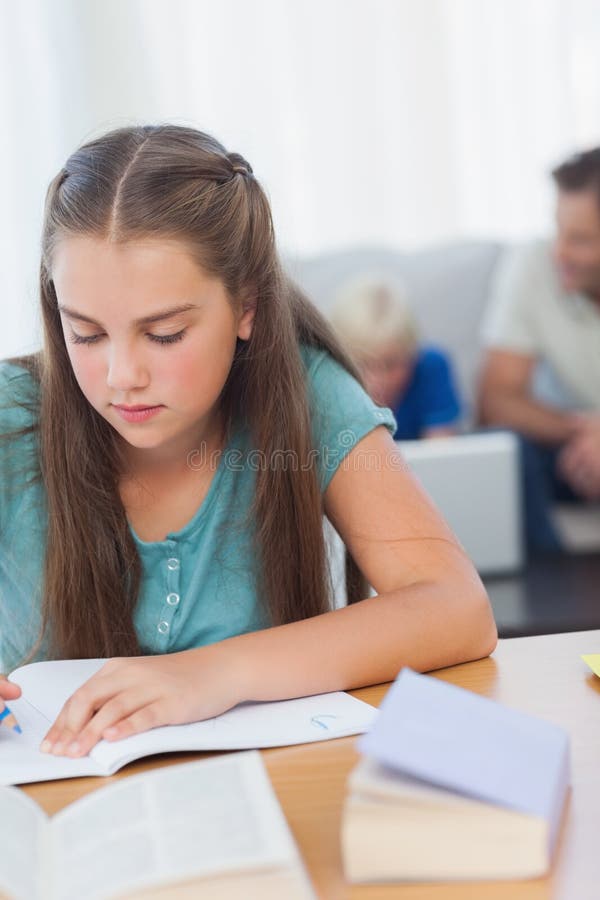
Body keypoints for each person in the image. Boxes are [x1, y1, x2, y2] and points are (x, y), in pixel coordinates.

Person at [0, 125, 496, 759]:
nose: (122, 376)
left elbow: (456, 606)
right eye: (86, 334)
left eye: (165, 334)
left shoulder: (307, 394)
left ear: (246, 307)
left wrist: (214, 673)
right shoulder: (14, 415)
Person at [478, 147, 600, 554]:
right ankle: (554, 591)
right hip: (573, 449)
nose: (559, 252)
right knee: (506, 447)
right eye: (558, 230)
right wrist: (588, 432)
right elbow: (497, 400)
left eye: (580, 239)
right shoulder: (533, 265)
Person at [329, 275, 462, 440]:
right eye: (362, 364)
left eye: (391, 364)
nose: (377, 381)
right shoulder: (327, 383)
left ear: (412, 353)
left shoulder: (431, 367)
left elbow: (442, 447)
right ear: (338, 359)